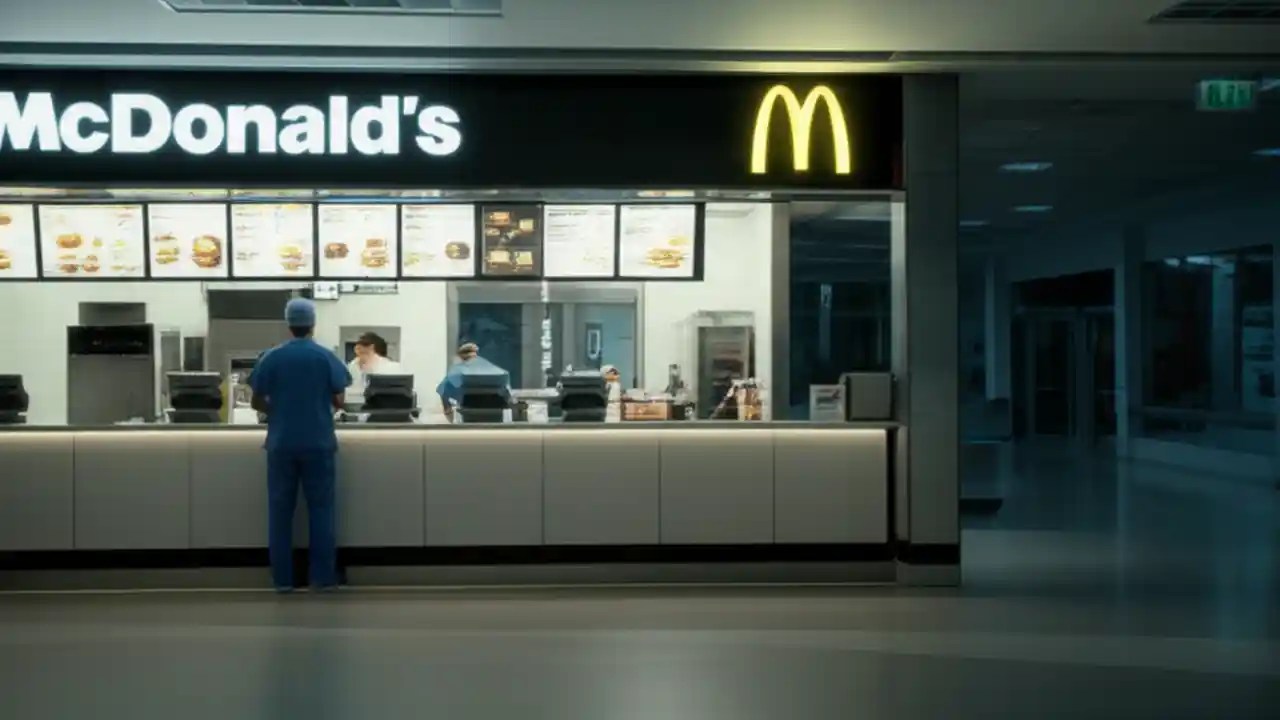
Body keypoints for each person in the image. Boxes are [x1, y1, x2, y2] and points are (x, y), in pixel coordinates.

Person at [249, 298, 351, 593]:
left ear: (288, 323)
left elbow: (256, 397)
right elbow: (339, 398)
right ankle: (323, 578)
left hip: (281, 443)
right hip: (319, 442)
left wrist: (278, 410)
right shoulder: (324, 357)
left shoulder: (271, 357)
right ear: (312, 323)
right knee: (322, 510)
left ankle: (283, 580)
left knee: (280, 511)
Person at [436, 342, 511, 422]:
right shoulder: (492, 368)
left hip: (469, 409)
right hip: (496, 410)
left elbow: (443, 390)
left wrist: (448, 413)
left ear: (461, 356)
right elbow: (507, 394)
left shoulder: (458, 370)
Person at [346, 331, 402, 403]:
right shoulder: (353, 365)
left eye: (363, 352)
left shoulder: (392, 368)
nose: (360, 358)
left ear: (371, 348)